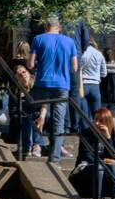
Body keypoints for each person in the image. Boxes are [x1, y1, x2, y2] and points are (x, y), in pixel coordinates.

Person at [29, 16, 81, 161]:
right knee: (59, 121)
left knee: (36, 114)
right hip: (62, 85)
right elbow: (75, 67)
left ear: (46, 26)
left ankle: (37, 145)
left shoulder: (38, 39)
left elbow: (30, 64)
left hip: (42, 83)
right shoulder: (69, 41)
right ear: (59, 27)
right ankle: (55, 158)